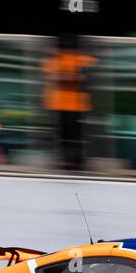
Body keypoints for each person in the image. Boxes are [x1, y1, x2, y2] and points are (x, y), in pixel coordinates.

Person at [41, 32, 96, 171]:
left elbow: (82, 77)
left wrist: (65, 75)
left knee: (74, 135)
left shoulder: (80, 58)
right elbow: (54, 76)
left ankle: (75, 161)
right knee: (63, 134)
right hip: (60, 104)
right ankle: (66, 160)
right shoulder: (55, 58)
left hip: (76, 105)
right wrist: (71, 75)